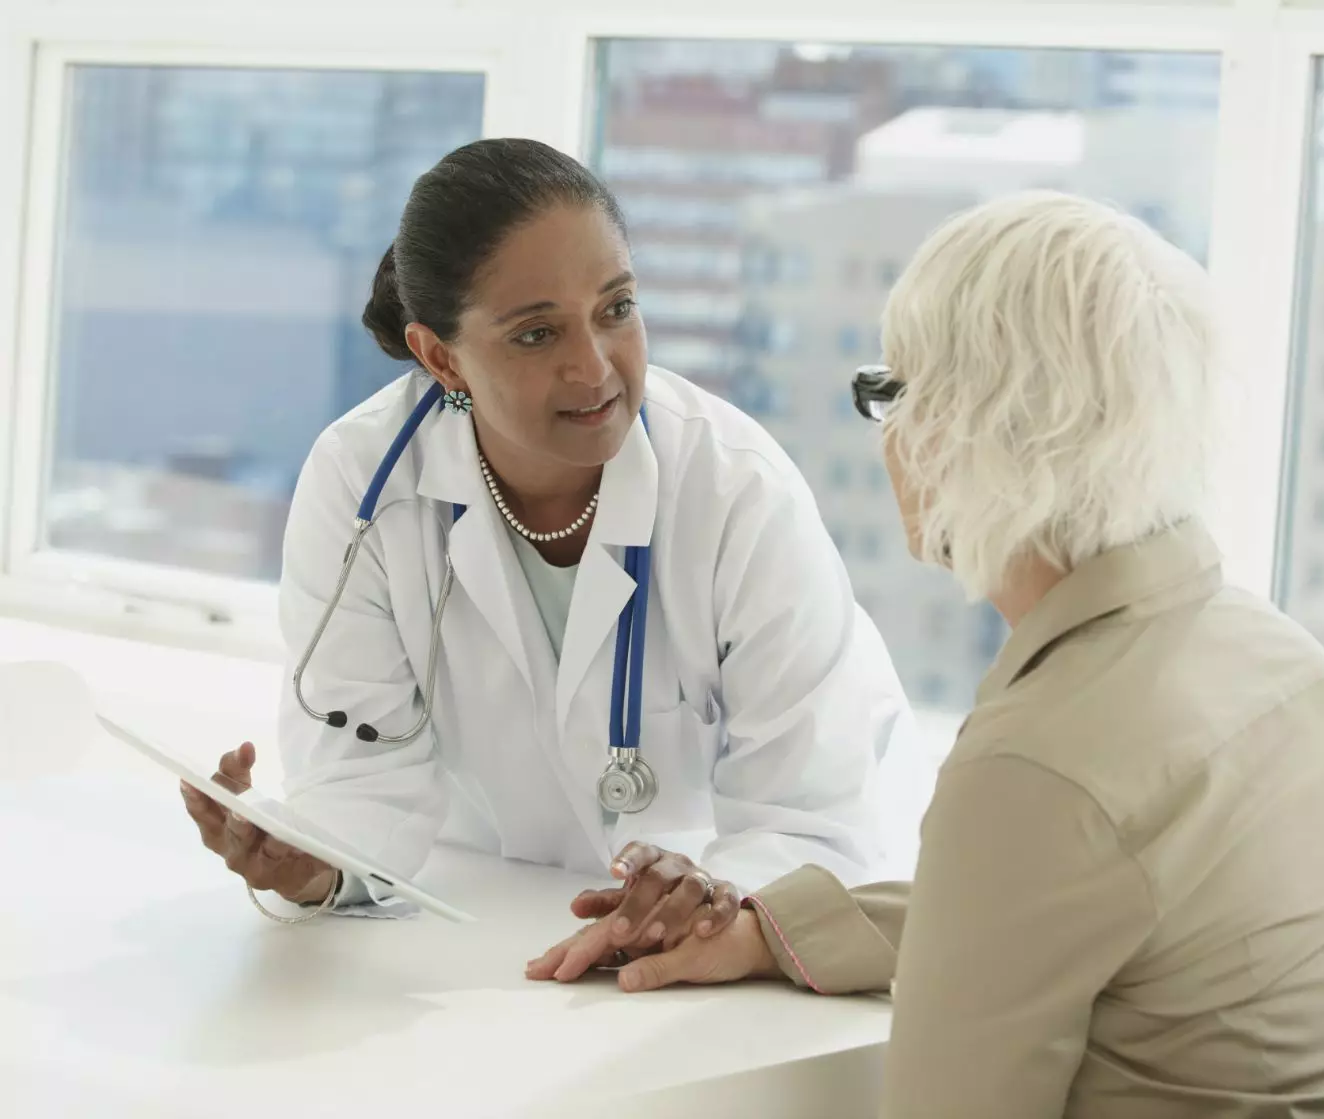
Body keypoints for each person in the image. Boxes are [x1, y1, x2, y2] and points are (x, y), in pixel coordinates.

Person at [528, 192, 1324, 1118]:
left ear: (972, 424)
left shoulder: (1040, 761)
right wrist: (769, 932)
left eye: (891, 391)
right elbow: (1069, 907)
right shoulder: (1277, 660)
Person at [179, 138, 911, 938]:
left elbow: (812, 817)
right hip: (479, 923)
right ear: (439, 355)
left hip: (719, 955)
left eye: (617, 310)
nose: (594, 368)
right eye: (537, 334)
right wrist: (312, 858)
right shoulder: (363, 485)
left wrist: (713, 895)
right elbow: (362, 775)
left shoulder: (735, 488)